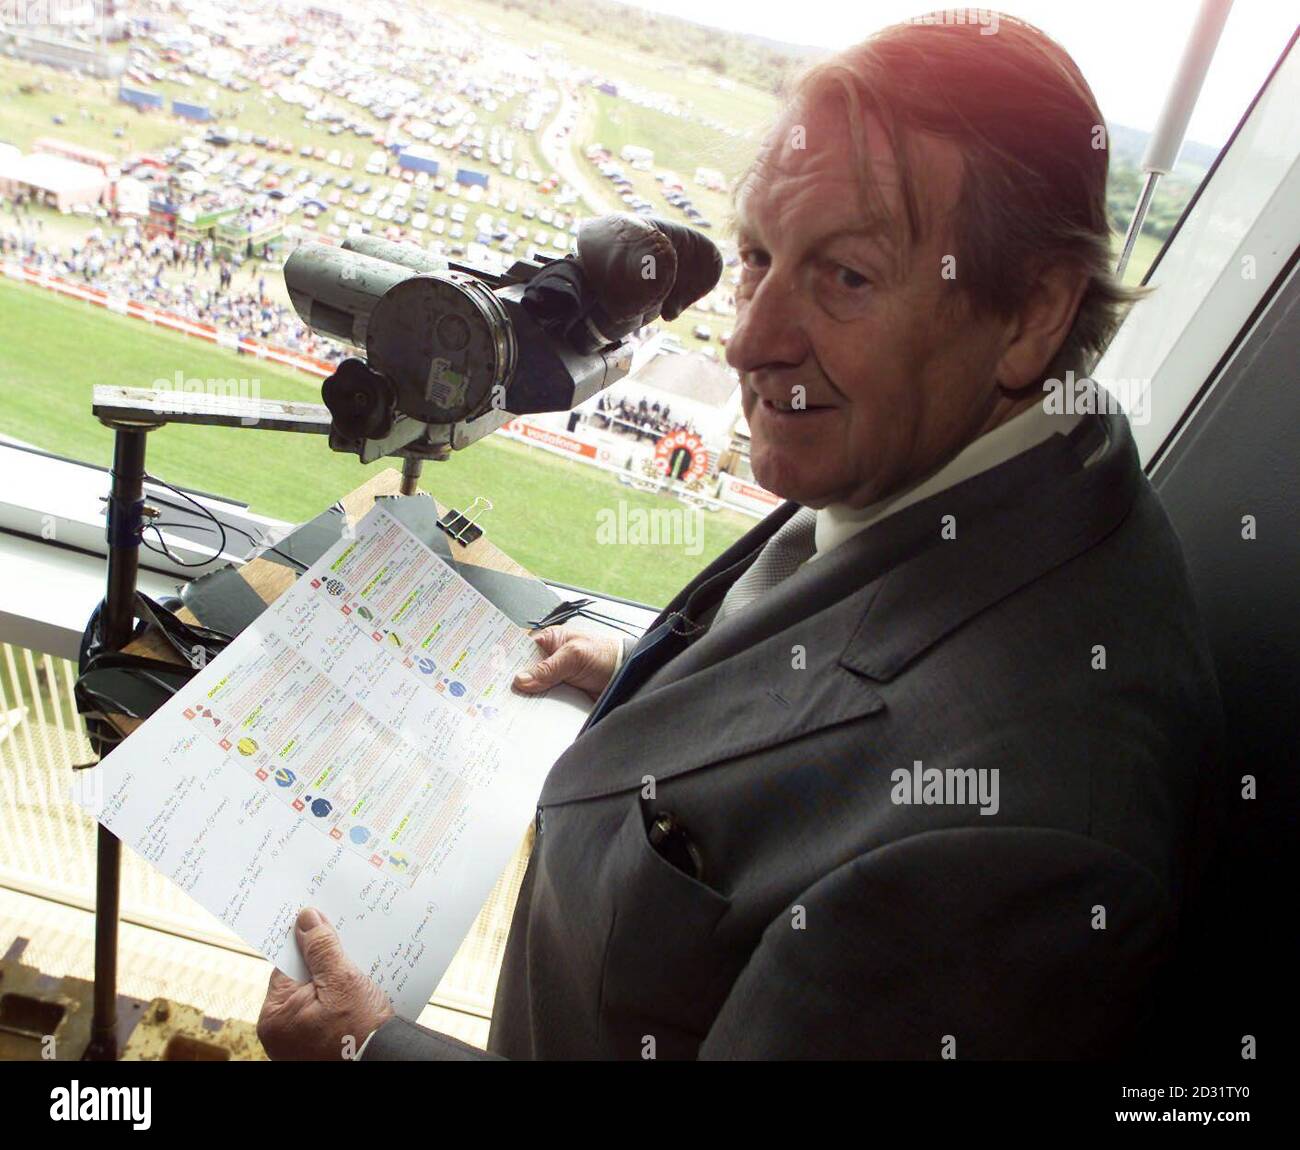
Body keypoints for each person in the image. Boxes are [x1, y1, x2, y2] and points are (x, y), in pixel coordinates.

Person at [257, 15, 1223, 1061]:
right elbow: (833, 669)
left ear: (1032, 313)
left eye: (846, 276)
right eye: (759, 255)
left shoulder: (1019, 838)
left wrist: (367, 1050)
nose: (749, 340)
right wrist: (653, 683)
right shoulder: (967, 454)